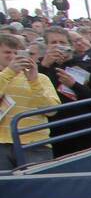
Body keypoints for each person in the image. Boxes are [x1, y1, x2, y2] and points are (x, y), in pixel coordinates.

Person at [0, 33, 58, 171]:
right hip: (1, 144)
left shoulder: (41, 78)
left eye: (17, 52)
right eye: (7, 52)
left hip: (35, 144)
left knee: (40, 189)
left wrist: (34, 81)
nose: (13, 56)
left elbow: (51, 111)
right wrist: (9, 73)